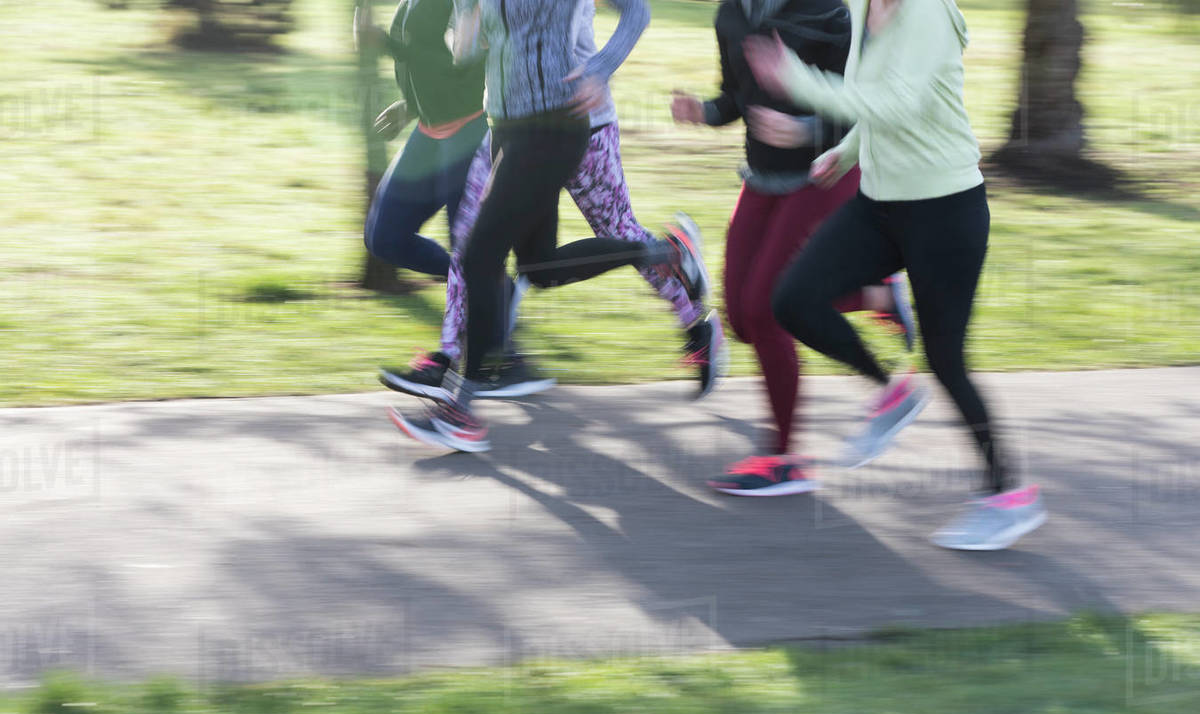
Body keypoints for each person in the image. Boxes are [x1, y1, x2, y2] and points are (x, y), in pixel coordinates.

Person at [744, 0, 1046, 548]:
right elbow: (873, 98)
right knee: (793, 300)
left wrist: (798, 80)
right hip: (879, 203)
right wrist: (847, 148)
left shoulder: (927, 13)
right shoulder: (864, 7)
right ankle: (893, 391)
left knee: (947, 360)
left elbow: (902, 104)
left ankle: (1007, 496)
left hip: (945, 208)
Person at [389, 0, 712, 452]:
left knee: (480, 254)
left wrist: (600, 67)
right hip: (504, 124)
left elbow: (636, 11)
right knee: (540, 270)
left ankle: (462, 409)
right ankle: (662, 252)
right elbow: (477, 48)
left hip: (554, 125)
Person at [672, 0, 913, 497]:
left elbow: (868, 108)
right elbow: (736, 96)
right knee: (740, 316)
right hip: (762, 178)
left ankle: (785, 458)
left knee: (766, 311)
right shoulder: (731, 13)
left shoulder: (828, 13)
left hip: (825, 173)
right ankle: (874, 293)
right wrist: (704, 111)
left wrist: (805, 130)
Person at [360, 0, 489, 280]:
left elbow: (463, 61)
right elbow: (428, 51)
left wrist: (385, 44)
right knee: (384, 237)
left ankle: (486, 294)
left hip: (465, 136)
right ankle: (482, 285)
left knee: (465, 247)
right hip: (429, 132)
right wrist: (412, 105)